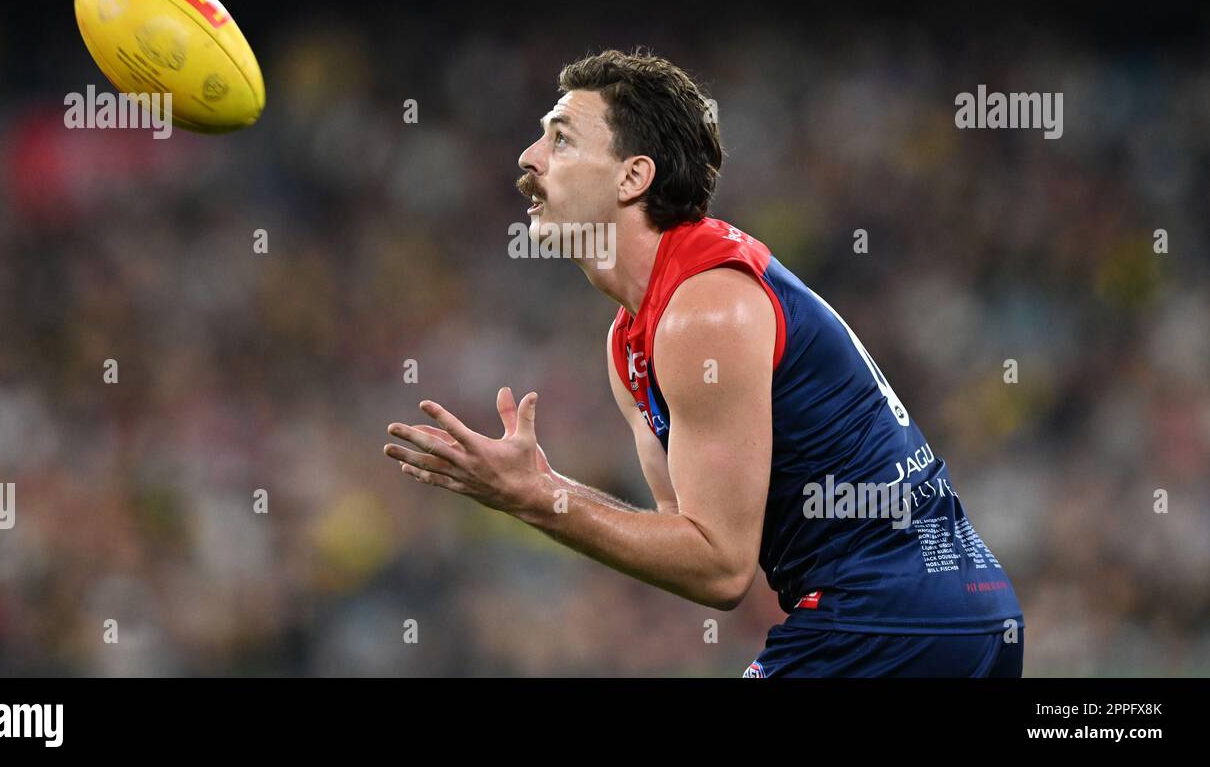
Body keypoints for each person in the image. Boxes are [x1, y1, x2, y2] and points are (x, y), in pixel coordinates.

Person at [384, 48, 1024, 676]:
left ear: (633, 177)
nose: (528, 157)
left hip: (887, 623)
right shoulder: (633, 339)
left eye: (561, 139)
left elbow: (722, 568)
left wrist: (536, 497)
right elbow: (689, 547)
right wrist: (542, 492)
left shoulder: (705, 310)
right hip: (943, 619)